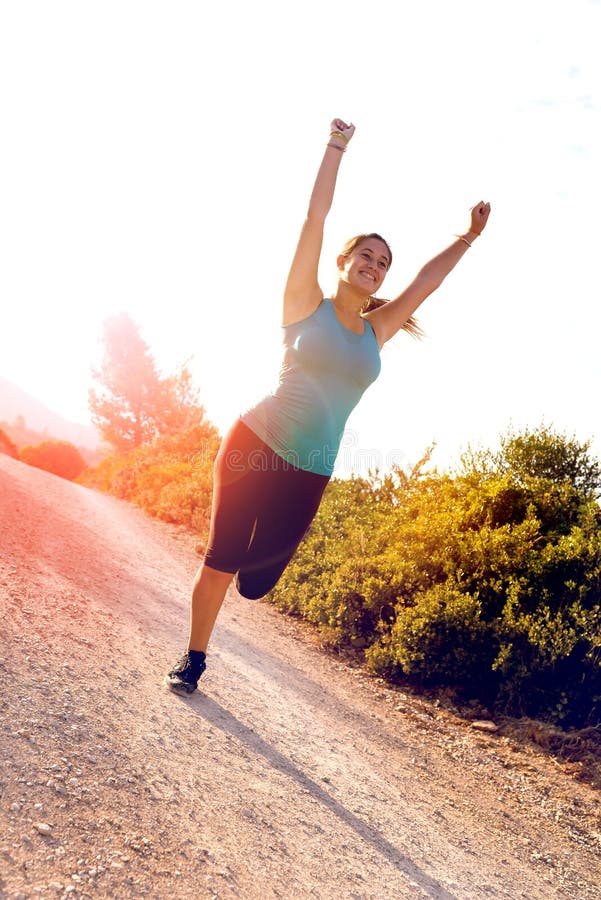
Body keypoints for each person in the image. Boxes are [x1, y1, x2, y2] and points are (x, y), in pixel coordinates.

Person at [165, 118, 491, 693]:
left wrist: (468, 236)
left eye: (382, 263)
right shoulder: (304, 303)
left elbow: (426, 282)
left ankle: (242, 574)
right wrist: (336, 146)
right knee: (221, 558)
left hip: (310, 469)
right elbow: (314, 219)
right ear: (344, 262)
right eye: (366, 255)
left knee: (257, 583)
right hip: (254, 443)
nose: (375, 265)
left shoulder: (378, 330)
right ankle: (193, 659)